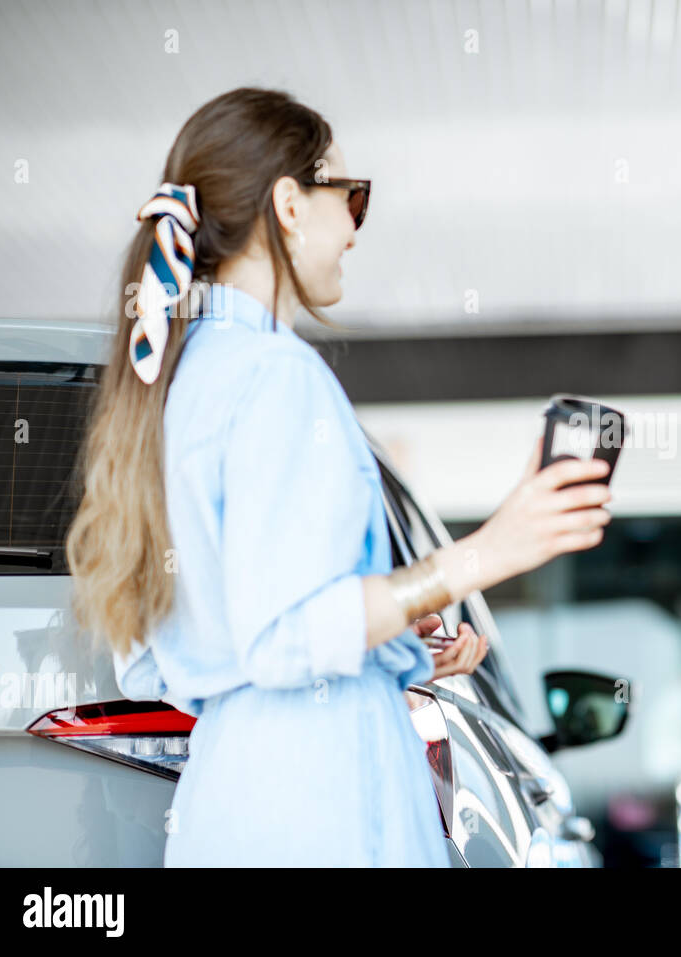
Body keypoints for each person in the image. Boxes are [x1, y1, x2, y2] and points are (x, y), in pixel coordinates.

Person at [64, 87, 613, 866]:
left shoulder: (171, 385)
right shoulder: (276, 374)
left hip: (227, 805)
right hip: (322, 805)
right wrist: (487, 553)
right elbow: (285, 633)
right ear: (289, 203)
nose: (355, 228)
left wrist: (393, 633)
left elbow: (160, 654)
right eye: (351, 198)